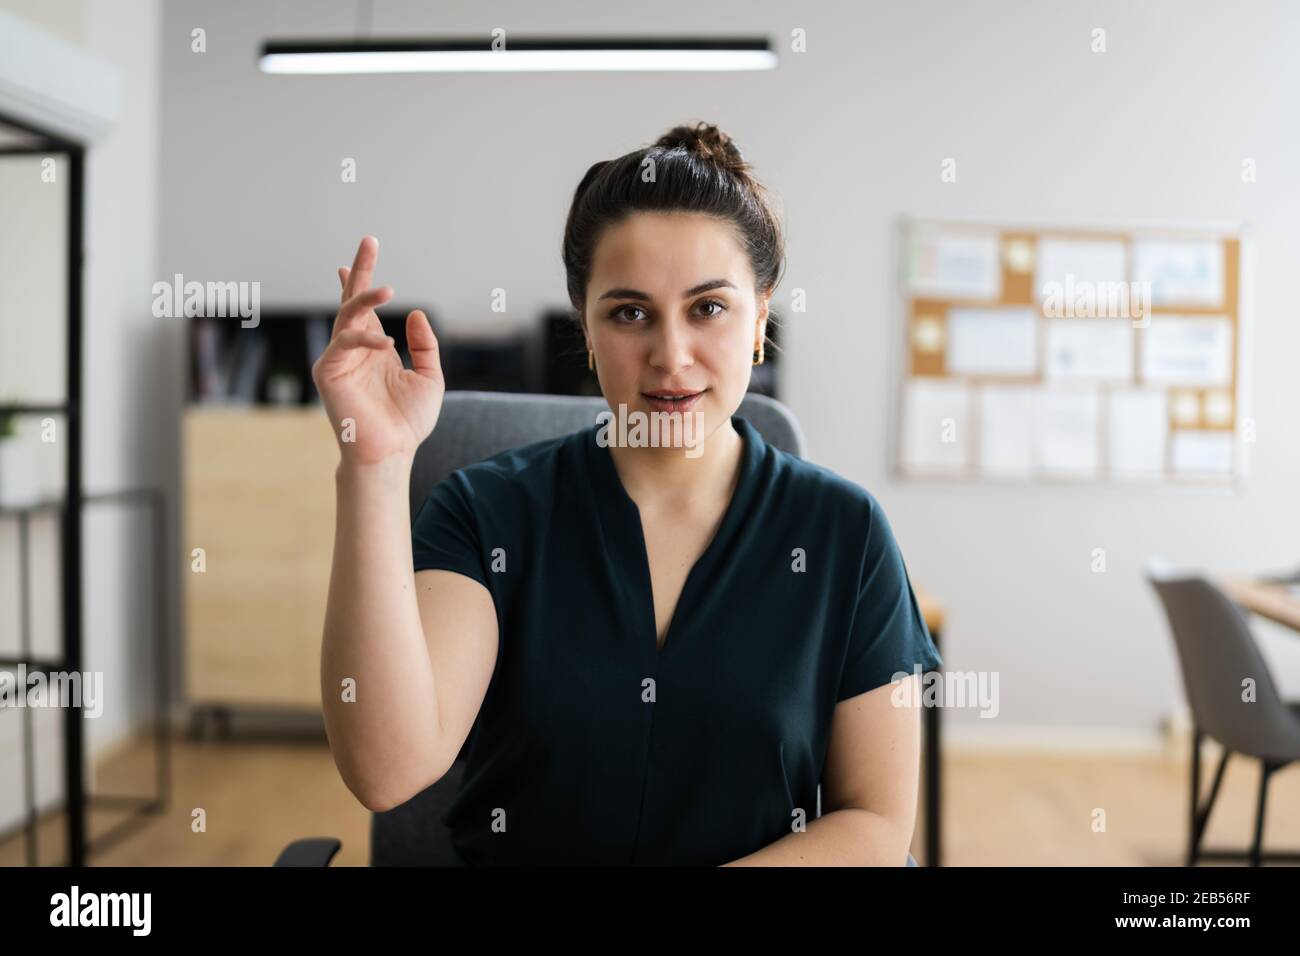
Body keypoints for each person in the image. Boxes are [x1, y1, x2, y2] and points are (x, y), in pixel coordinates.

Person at [314, 122, 942, 866]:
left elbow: (875, 823)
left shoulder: (845, 533)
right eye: (629, 313)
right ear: (585, 326)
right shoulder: (487, 515)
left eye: (708, 308)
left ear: (759, 321)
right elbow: (387, 771)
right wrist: (375, 467)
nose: (671, 357)